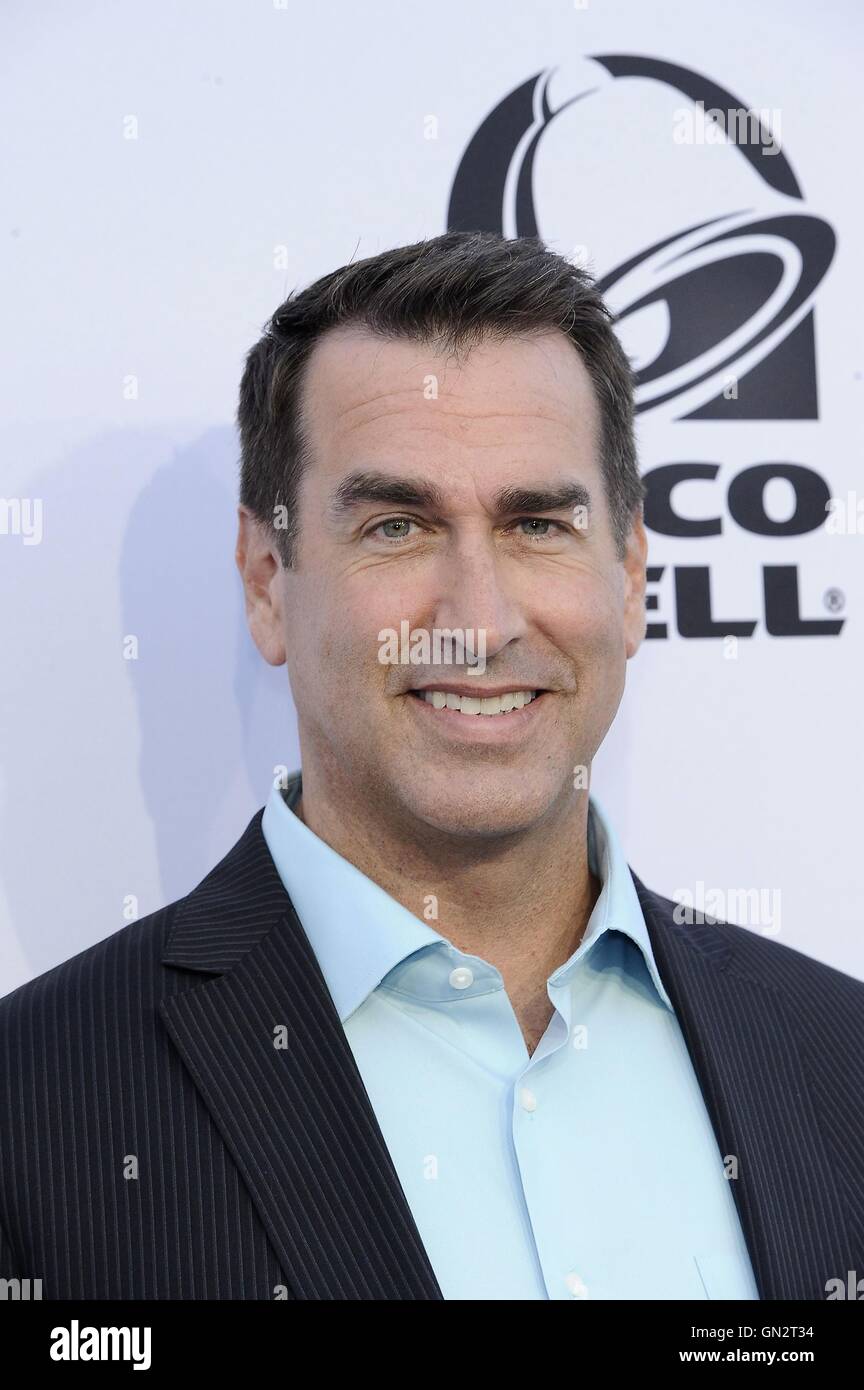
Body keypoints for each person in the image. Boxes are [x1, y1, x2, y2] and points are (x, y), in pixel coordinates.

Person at [1, 231, 862, 1301]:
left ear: (631, 574)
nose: (480, 621)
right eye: (398, 525)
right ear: (268, 580)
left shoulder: (838, 1058)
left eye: (537, 523)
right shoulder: (36, 1111)